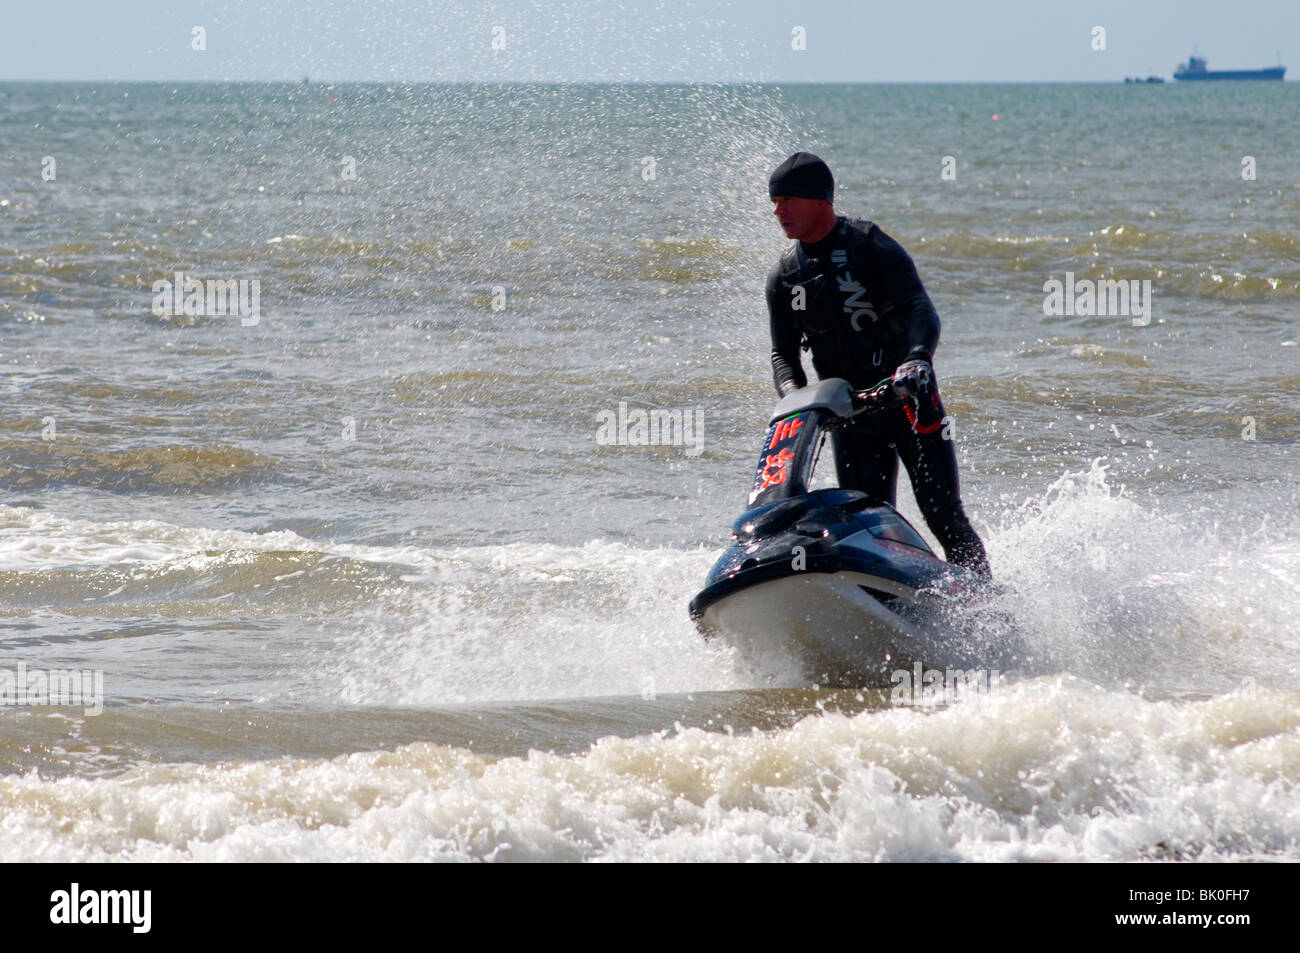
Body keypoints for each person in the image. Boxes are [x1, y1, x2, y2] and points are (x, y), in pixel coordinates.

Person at [765, 151, 991, 577]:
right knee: (868, 524)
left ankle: (987, 608)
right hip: (852, 417)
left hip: (910, 402)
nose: (778, 210)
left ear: (820, 201)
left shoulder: (869, 245)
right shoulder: (785, 276)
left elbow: (920, 308)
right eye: (774, 201)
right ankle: (888, 602)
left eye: (787, 200)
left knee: (943, 513)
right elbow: (784, 355)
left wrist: (917, 359)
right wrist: (797, 400)